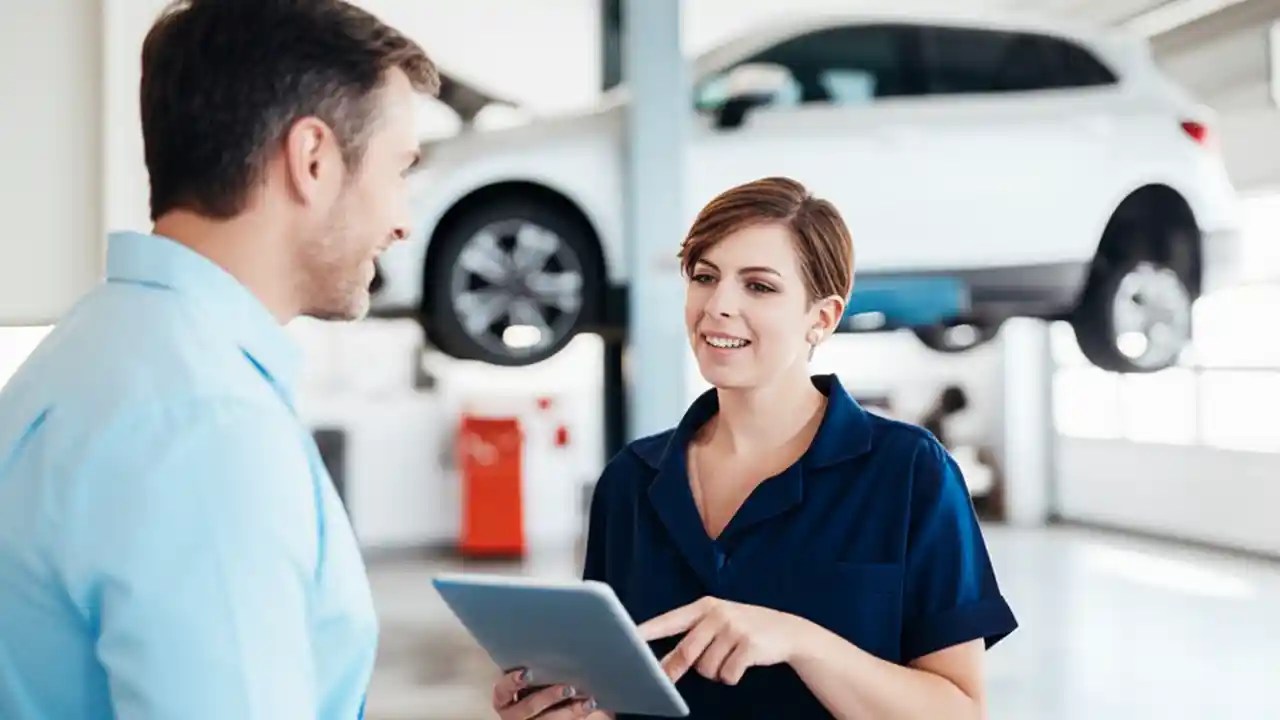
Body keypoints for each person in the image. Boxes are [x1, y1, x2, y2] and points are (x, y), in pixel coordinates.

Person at [0, 1, 438, 718]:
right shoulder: (206, 428)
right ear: (314, 160)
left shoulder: (90, 349)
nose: (403, 220)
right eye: (400, 170)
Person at [491, 177, 1017, 719]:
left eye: (759, 286)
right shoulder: (630, 482)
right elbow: (620, 693)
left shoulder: (909, 474)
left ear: (822, 318)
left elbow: (958, 712)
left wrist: (798, 640)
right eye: (704, 277)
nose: (718, 305)